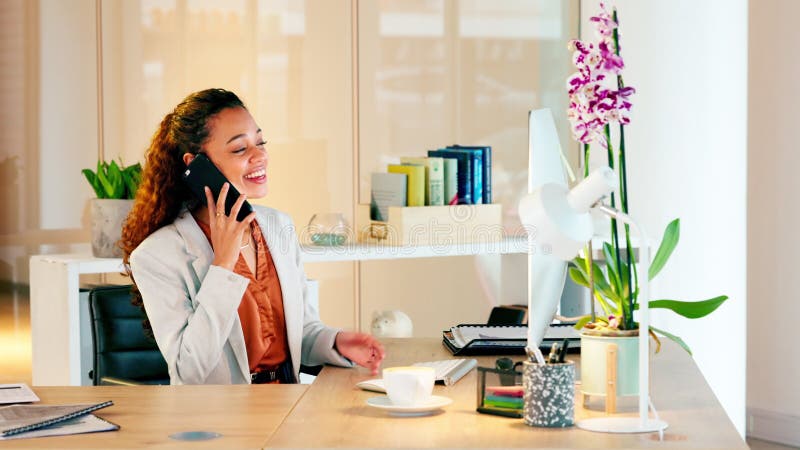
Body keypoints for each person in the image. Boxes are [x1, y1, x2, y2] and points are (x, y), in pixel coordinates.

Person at [121, 88, 384, 385]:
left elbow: (301, 333)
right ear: (196, 165)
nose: (259, 156)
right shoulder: (157, 255)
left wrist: (336, 342)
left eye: (260, 143)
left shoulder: (277, 226)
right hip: (221, 421)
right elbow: (188, 371)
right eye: (239, 149)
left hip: (289, 405)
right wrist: (222, 265)